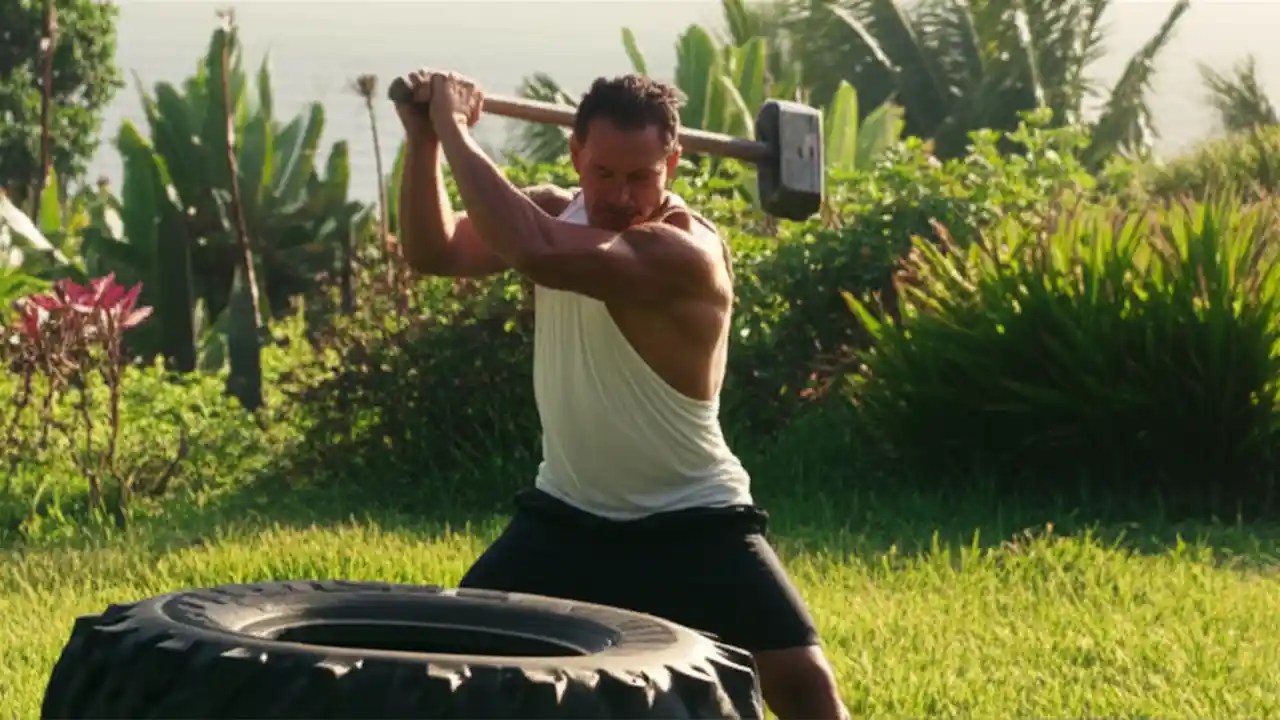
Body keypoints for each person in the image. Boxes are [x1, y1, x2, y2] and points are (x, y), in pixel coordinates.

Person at [393, 67, 849, 720]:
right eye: (603, 173)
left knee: (804, 689)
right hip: (567, 515)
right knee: (457, 666)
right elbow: (433, 251)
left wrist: (456, 128)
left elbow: (535, 250)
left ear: (674, 161)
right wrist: (425, 142)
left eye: (641, 176)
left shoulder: (682, 253)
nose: (620, 195)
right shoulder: (553, 210)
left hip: (692, 518)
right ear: (576, 153)